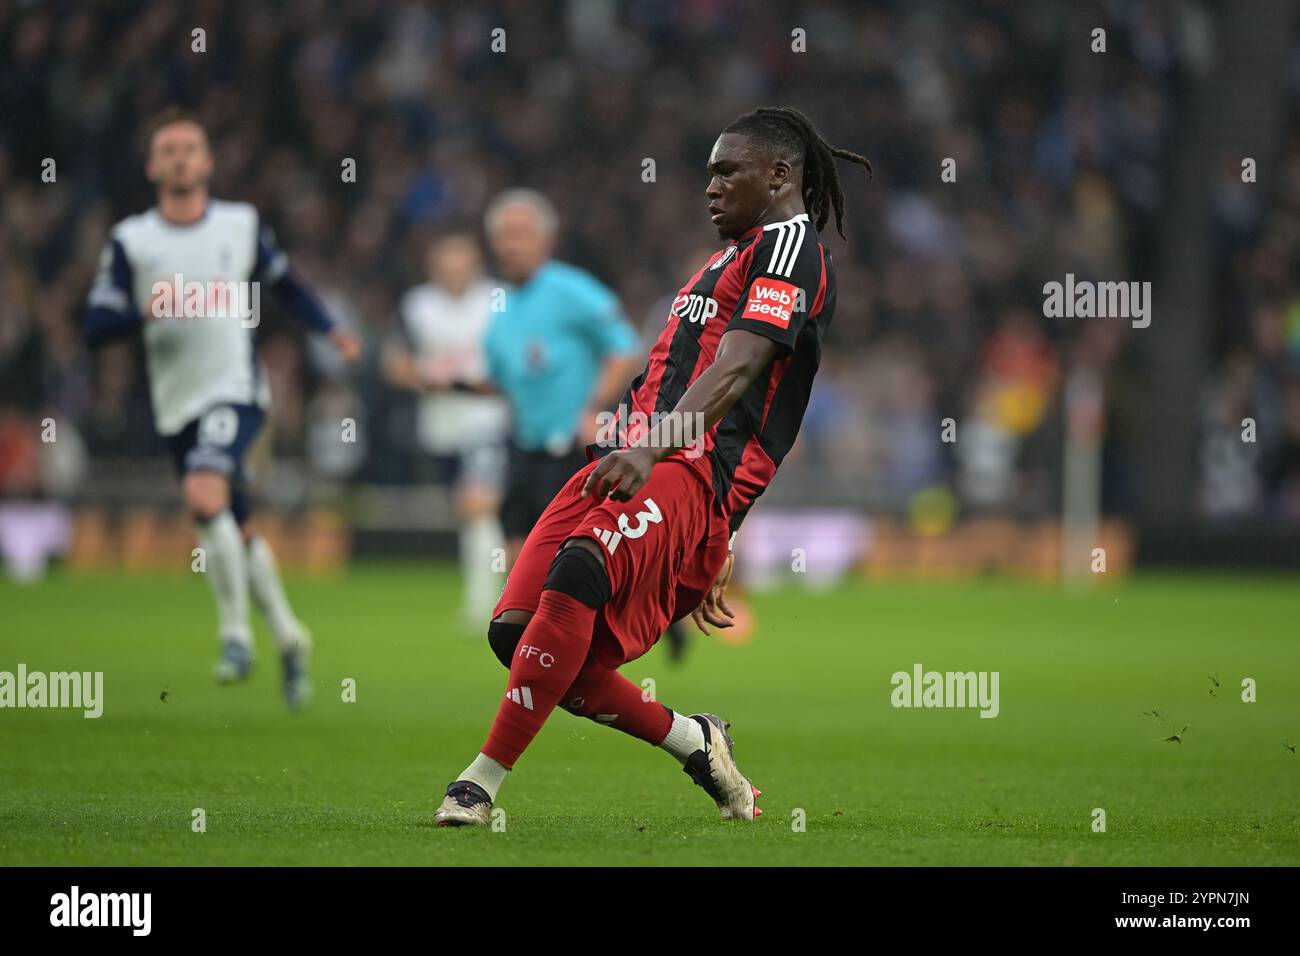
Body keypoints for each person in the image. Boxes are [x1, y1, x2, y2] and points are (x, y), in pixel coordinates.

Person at [434, 107, 871, 825]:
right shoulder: (727, 257)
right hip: (632, 454)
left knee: (580, 574)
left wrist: (661, 463)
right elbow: (672, 368)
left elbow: (740, 365)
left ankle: (479, 782)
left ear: (780, 176)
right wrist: (626, 447)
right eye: (707, 174)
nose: (710, 188)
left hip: (686, 466)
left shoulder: (792, 248)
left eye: (728, 172)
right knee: (515, 635)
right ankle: (692, 739)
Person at [84, 107, 360, 709]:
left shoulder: (239, 224)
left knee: (203, 496)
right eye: (169, 149)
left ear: (208, 162)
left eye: (191, 148)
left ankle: (235, 636)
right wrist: (142, 312)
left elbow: (284, 283)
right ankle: (291, 636)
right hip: (175, 402)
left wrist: (329, 328)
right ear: (154, 165)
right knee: (231, 522)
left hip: (236, 389)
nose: (181, 158)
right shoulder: (133, 241)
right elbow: (96, 325)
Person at [481, 189, 640, 568]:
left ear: (545, 240)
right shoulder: (500, 303)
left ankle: (664, 617)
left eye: (520, 234)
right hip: (523, 446)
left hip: (572, 448)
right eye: (503, 235)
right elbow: (501, 378)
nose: (510, 245)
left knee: (578, 552)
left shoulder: (571, 289)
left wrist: (595, 408)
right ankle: (524, 624)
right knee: (516, 543)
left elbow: (625, 348)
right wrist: (446, 382)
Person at [383, 234, 509, 628]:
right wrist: (425, 377)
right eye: (447, 266)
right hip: (441, 424)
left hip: (488, 419)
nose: (455, 274)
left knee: (478, 504)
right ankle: (506, 588)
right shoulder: (417, 305)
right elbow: (394, 363)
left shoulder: (496, 299)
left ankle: (483, 603)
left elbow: (516, 354)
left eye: (462, 266)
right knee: (469, 509)